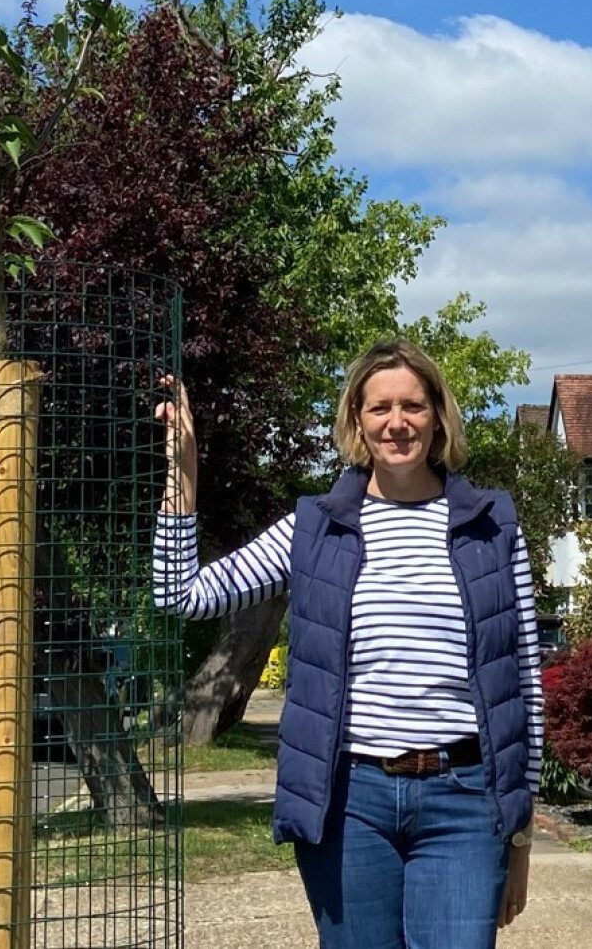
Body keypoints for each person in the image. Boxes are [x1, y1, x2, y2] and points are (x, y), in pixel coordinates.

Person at [155, 339, 543, 949]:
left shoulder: (492, 525)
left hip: (467, 801)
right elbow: (182, 595)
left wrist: (520, 835)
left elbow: (524, 680)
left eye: (412, 406)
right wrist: (184, 472)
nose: (397, 423)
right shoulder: (315, 527)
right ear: (357, 422)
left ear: (438, 416)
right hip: (349, 802)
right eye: (379, 408)